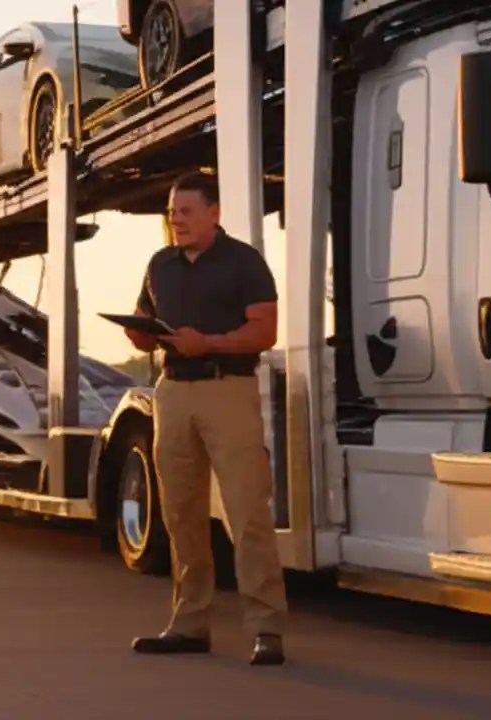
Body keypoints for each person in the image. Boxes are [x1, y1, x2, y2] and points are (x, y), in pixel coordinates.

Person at [124, 171, 288, 666]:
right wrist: (142, 335)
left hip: (228, 390)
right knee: (180, 514)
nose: (177, 220)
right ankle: (189, 624)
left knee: (247, 514)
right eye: (173, 212)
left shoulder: (245, 262)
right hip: (172, 392)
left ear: (214, 213)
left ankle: (267, 630)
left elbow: (264, 332)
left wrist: (208, 343)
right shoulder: (160, 265)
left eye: (187, 212)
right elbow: (143, 315)